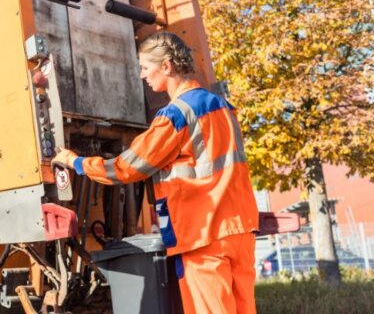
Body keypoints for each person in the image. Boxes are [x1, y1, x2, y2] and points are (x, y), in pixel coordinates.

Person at [53, 31, 259, 314]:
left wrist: (77, 163)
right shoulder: (224, 107)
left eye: (145, 67)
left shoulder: (175, 115)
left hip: (203, 234)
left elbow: (127, 167)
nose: (142, 76)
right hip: (239, 228)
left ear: (166, 66)